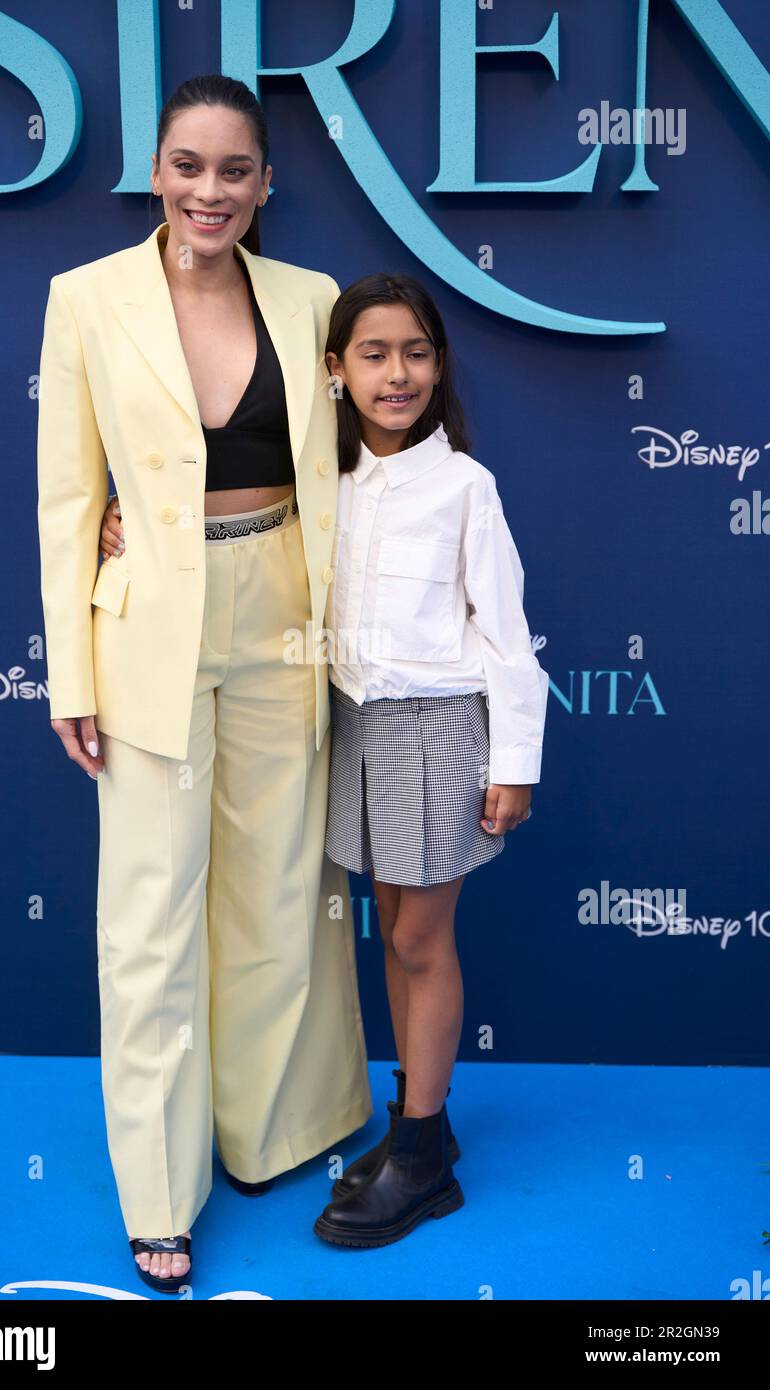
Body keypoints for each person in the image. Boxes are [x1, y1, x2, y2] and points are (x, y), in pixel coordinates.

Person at [36, 74, 372, 1295]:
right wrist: (69, 668)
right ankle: (157, 1191)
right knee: (149, 918)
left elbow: (355, 465)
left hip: (284, 610)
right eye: (189, 166)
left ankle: (270, 1133)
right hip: (145, 633)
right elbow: (69, 499)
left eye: (235, 171)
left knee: (284, 890)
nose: (210, 191)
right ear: (156, 171)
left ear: (266, 183)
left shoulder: (312, 299)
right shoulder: (85, 299)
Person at [312, 272, 549, 1245]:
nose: (395, 372)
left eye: (414, 352)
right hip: (357, 728)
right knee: (390, 932)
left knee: (420, 939)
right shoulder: (323, 483)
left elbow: (505, 632)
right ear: (335, 370)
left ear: (437, 364)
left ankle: (417, 1160)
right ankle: (425, 1121)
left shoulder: (462, 486)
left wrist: (515, 762)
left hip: (444, 727)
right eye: (372, 354)